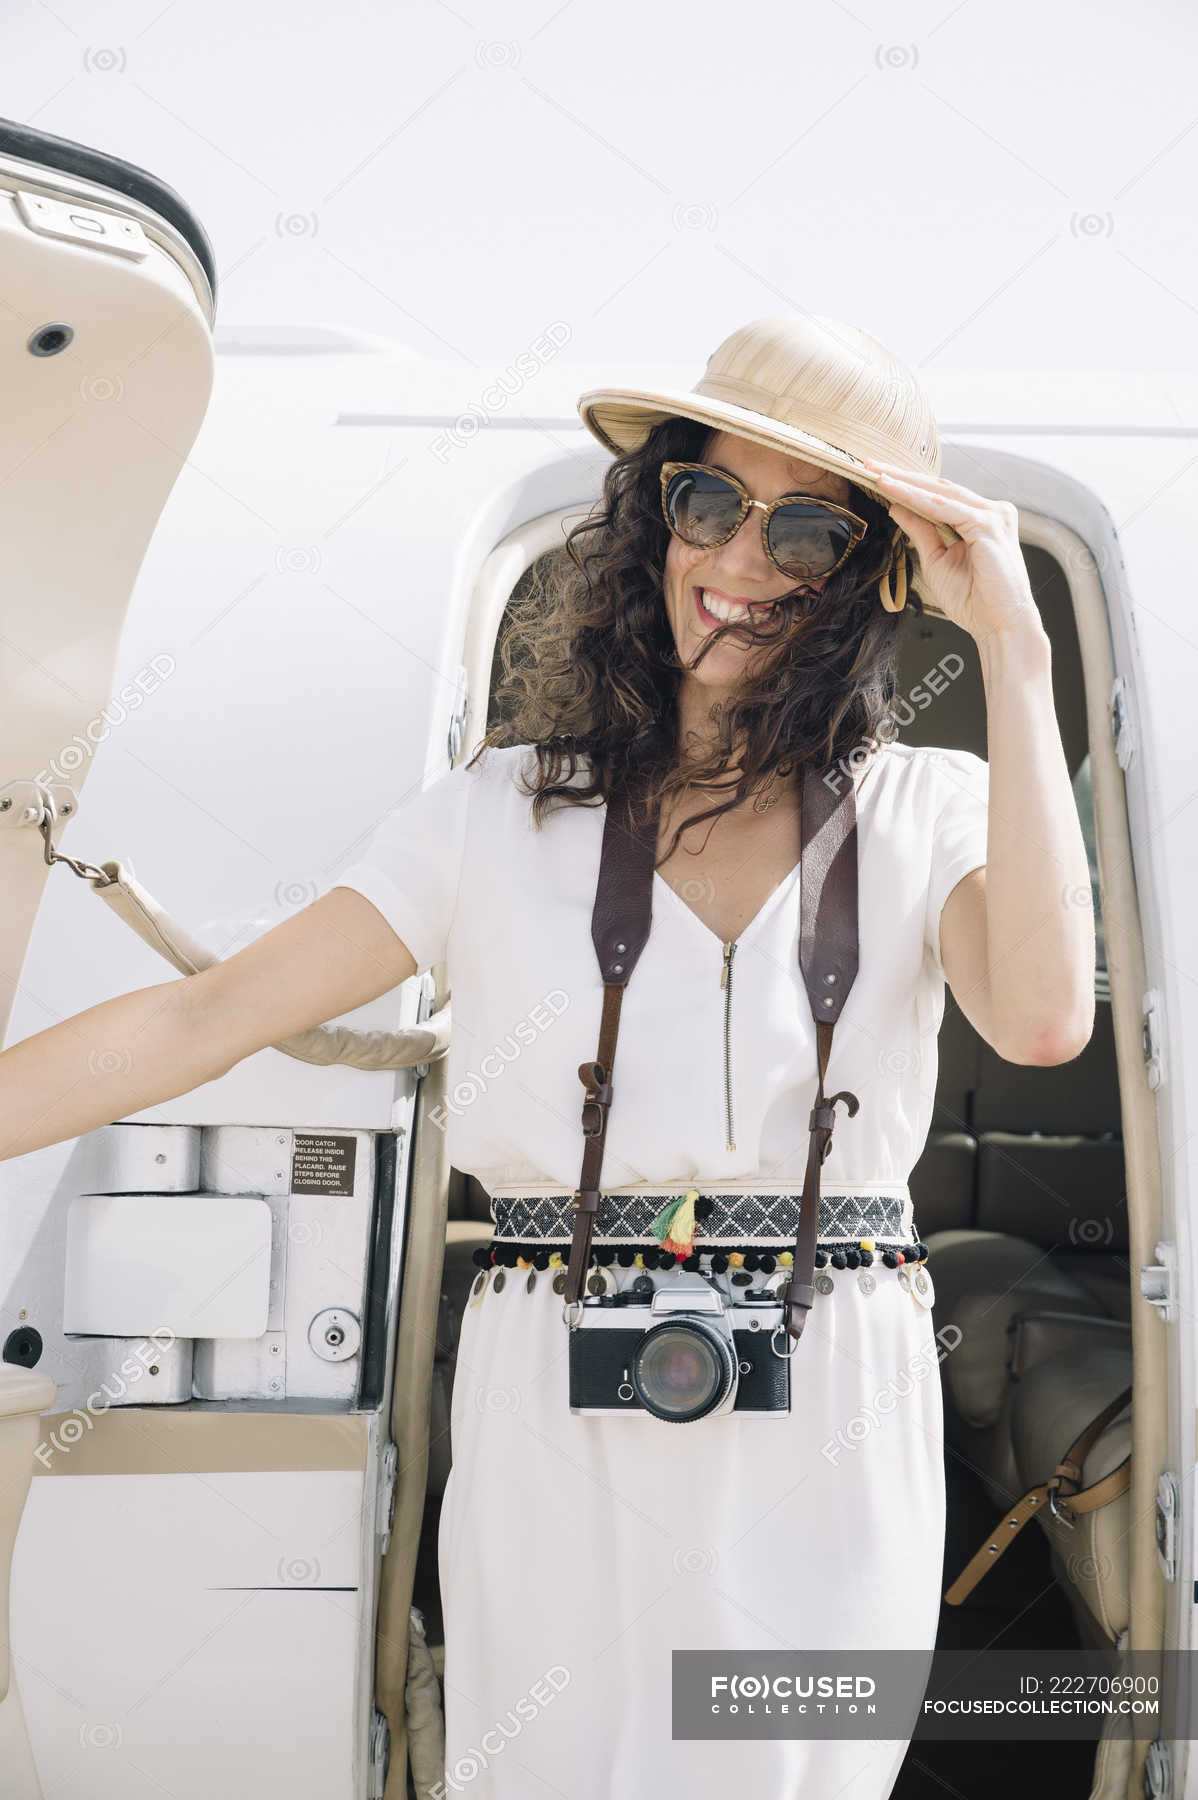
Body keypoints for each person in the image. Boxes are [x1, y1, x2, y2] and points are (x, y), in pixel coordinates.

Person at [0, 312, 1096, 1798]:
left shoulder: (926, 809)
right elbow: (205, 1015)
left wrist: (1014, 656)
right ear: (657, 518)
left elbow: (1039, 1019)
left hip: (832, 1377)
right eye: (707, 505)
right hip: (553, 1361)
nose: (742, 562)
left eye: (809, 533)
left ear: (869, 576)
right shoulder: (498, 812)